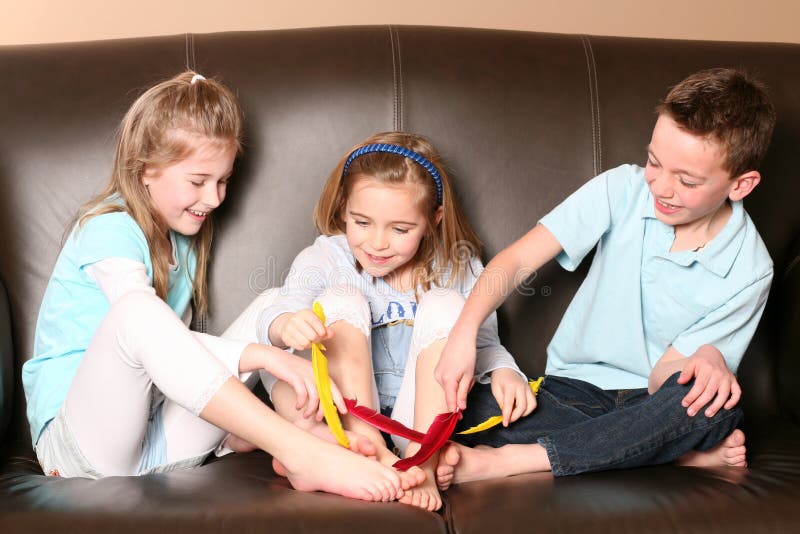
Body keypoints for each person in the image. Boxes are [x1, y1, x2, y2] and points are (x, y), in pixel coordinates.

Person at [21, 71, 403, 502]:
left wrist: (260, 372)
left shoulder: (181, 241)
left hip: (157, 443)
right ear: (147, 169)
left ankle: (312, 435)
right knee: (138, 312)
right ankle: (300, 451)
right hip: (81, 453)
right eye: (199, 181)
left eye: (222, 181)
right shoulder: (108, 230)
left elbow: (174, 365)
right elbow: (146, 330)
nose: (216, 198)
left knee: (275, 306)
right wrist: (266, 358)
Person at [433, 67, 775, 486]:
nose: (661, 187)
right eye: (654, 162)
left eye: (686, 181)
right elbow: (515, 260)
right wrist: (463, 334)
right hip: (567, 393)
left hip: (649, 405)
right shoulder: (622, 189)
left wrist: (707, 362)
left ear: (740, 185)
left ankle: (515, 460)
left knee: (718, 408)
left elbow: (661, 379)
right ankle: (666, 455)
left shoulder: (751, 270)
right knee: (466, 405)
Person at [254, 131, 534, 510]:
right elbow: (275, 310)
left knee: (447, 303)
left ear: (433, 220)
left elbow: (481, 341)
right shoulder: (326, 256)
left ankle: (423, 461)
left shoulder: (458, 264)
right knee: (338, 298)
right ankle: (367, 453)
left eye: (400, 230)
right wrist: (286, 323)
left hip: (417, 417)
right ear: (342, 207)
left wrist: (505, 371)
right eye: (362, 222)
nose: (377, 243)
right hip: (348, 417)